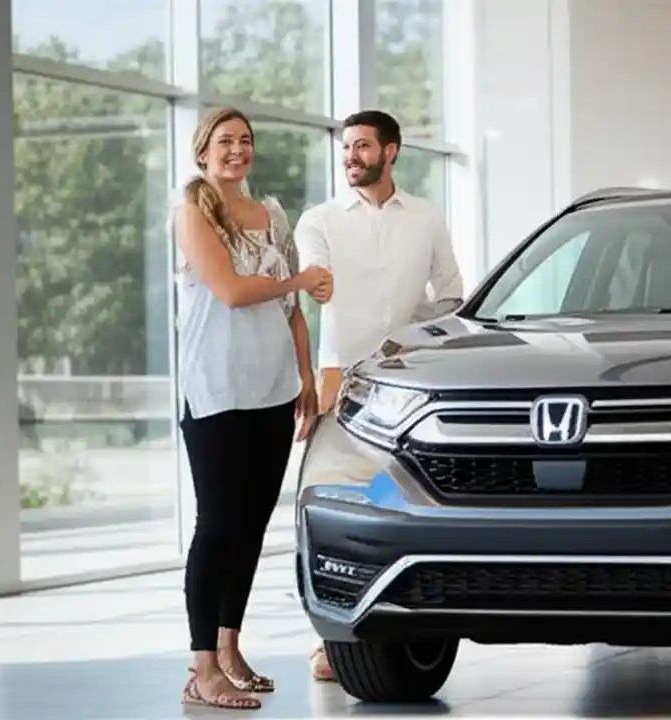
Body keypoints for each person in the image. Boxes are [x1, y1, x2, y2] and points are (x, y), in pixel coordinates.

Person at [293, 109, 464, 682]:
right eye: (346, 148)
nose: (351, 157)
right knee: (336, 509)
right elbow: (315, 284)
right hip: (342, 377)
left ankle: (399, 620)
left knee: (403, 502)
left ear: (392, 152)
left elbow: (451, 292)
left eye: (363, 146)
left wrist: (418, 340)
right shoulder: (319, 220)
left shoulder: (426, 217)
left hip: (409, 377)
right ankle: (331, 636)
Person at [173, 106, 332, 710]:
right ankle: (202, 666)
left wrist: (306, 377)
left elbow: (294, 310)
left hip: (272, 389)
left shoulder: (273, 214)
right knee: (216, 524)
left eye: (245, 141)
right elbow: (236, 292)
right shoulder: (191, 210)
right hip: (215, 390)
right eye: (225, 141)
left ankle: (230, 646)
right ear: (203, 151)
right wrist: (303, 279)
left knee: (250, 526)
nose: (237, 150)